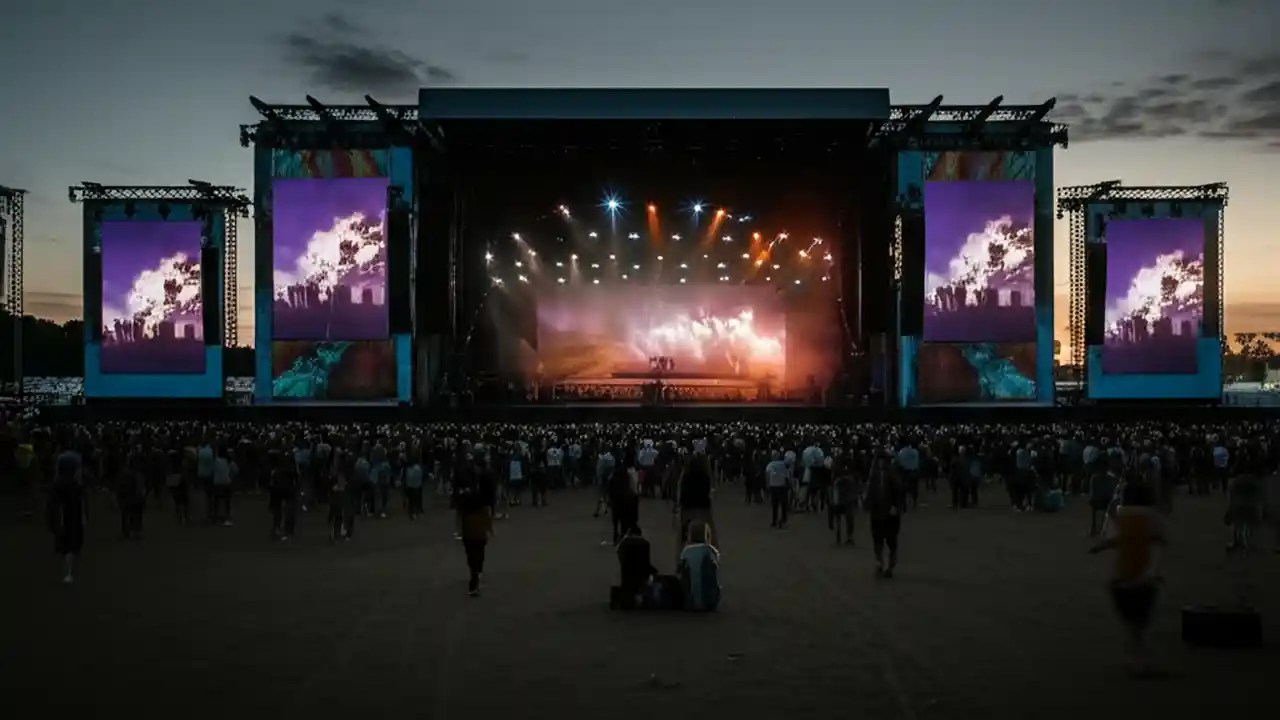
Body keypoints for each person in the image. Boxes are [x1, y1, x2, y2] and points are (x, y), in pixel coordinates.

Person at [1089, 481, 1167, 676]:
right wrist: (1153, 571)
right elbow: (1159, 543)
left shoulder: (1120, 514)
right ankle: (1138, 660)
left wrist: (1100, 547)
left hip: (1120, 576)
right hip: (1143, 577)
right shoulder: (1153, 515)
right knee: (1139, 624)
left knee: (1132, 623)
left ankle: (1134, 658)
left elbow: (1116, 538)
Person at [48, 444, 86, 584]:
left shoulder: (58, 484)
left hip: (65, 519)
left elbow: (52, 506)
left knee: (67, 547)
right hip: (70, 520)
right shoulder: (75, 485)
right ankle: (68, 572)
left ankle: (68, 570)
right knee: (70, 547)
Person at [864, 452, 906, 579]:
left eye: (883, 460)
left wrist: (897, 507)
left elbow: (899, 492)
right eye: (879, 460)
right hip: (877, 513)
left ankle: (891, 565)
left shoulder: (893, 474)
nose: (881, 463)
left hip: (890, 514)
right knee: (877, 539)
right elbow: (870, 491)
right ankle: (879, 563)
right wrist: (867, 504)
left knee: (891, 540)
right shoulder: (874, 475)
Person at [458, 473, 495, 597]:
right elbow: (487, 516)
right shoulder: (483, 505)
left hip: (469, 533)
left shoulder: (466, 508)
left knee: (471, 555)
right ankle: (477, 573)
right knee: (479, 554)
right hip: (479, 533)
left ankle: (474, 576)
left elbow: (460, 517)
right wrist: (490, 529)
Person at [678, 522, 721, 612]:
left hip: (689, 602)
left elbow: (681, 572)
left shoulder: (686, 551)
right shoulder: (711, 550)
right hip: (710, 601)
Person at [616, 526, 657, 609]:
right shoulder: (645, 543)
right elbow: (646, 562)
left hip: (627, 574)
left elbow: (620, 558)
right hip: (642, 573)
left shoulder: (623, 543)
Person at [830, 456, 857, 545]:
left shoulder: (837, 477)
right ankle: (849, 536)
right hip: (848, 497)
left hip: (841, 496)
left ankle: (839, 534)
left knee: (838, 516)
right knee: (849, 517)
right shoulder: (850, 477)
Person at [765, 451, 790, 528]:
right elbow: (787, 476)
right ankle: (783, 519)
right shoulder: (783, 465)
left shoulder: (770, 465)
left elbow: (767, 476)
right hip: (782, 486)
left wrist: (767, 485)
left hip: (773, 486)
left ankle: (774, 520)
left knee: (774, 505)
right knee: (783, 504)